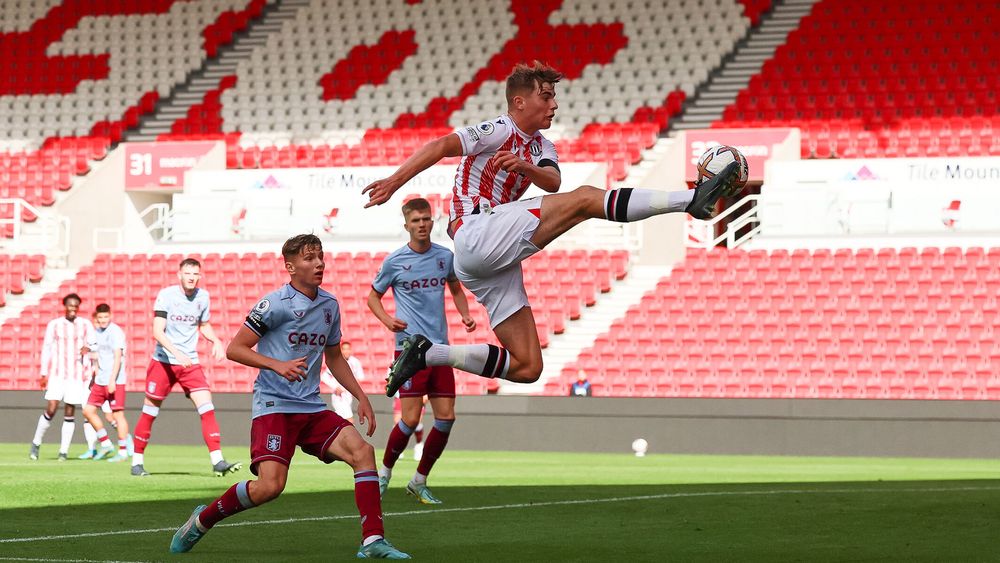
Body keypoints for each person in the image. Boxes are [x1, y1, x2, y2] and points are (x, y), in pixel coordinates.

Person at [363, 61, 741, 394]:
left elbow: (552, 182)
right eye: (545, 96)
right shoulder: (498, 129)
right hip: (477, 231)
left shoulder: (543, 145)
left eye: (554, 97)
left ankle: (428, 353)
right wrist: (395, 182)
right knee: (586, 199)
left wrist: (525, 168)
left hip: (489, 259)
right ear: (519, 102)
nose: (554, 104)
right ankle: (689, 201)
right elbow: (442, 145)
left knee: (528, 367)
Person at [169, 234, 410, 559]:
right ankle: (201, 521)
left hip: (310, 408)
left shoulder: (329, 305)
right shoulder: (274, 304)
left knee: (363, 452)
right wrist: (277, 365)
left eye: (320, 257)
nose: (319, 263)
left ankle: (373, 541)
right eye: (309, 258)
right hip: (274, 407)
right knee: (270, 487)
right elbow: (235, 349)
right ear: (290, 266)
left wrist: (360, 396)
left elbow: (334, 357)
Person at [368, 197, 476, 504]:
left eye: (426, 219)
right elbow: (372, 298)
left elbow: (455, 287)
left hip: (440, 350)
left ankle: (419, 480)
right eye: (416, 220)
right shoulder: (394, 262)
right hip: (410, 351)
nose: (422, 225)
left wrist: (464, 313)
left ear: (432, 221)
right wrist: (388, 320)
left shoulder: (445, 257)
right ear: (407, 225)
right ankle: (384, 473)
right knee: (411, 419)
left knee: (446, 417)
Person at [131, 258, 240, 477]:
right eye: (188, 273)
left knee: (207, 407)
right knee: (150, 411)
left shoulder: (203, 297)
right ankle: (137, 462)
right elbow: (157, 331)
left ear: (199, 276)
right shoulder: (167, 296)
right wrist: (176, 352)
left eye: (195, 274)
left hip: (189, 363)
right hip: (163, 361)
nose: (191, 277)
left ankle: (217, 461)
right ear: (179, 275)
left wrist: (216, 341)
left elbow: (204, 325)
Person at [29, 293, 95, 461]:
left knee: (70, 411)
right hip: (58, 375)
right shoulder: (55, 325)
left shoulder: (85, 325)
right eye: (70, 305)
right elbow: (47, 348)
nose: (72, 308)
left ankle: (63, 451)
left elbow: (94, 345)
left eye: (75, 306)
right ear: (64, 306)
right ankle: (36, 443)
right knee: (51, 408)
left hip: (76, 375)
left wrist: (88, 349)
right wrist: (44, 372)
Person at [81, 303, 131, 462]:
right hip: (101, 380)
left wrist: (112, 380)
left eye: (105, 317)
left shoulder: (115, 332)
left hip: (114, 381)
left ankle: (123, 451)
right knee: (88, 411)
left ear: (110, 316)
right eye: (100, 317)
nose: (103, 320)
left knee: (117, 415)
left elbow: (118, 357)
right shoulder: (97, 332)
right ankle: (106, 443)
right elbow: (100, 356)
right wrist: (95, 377)